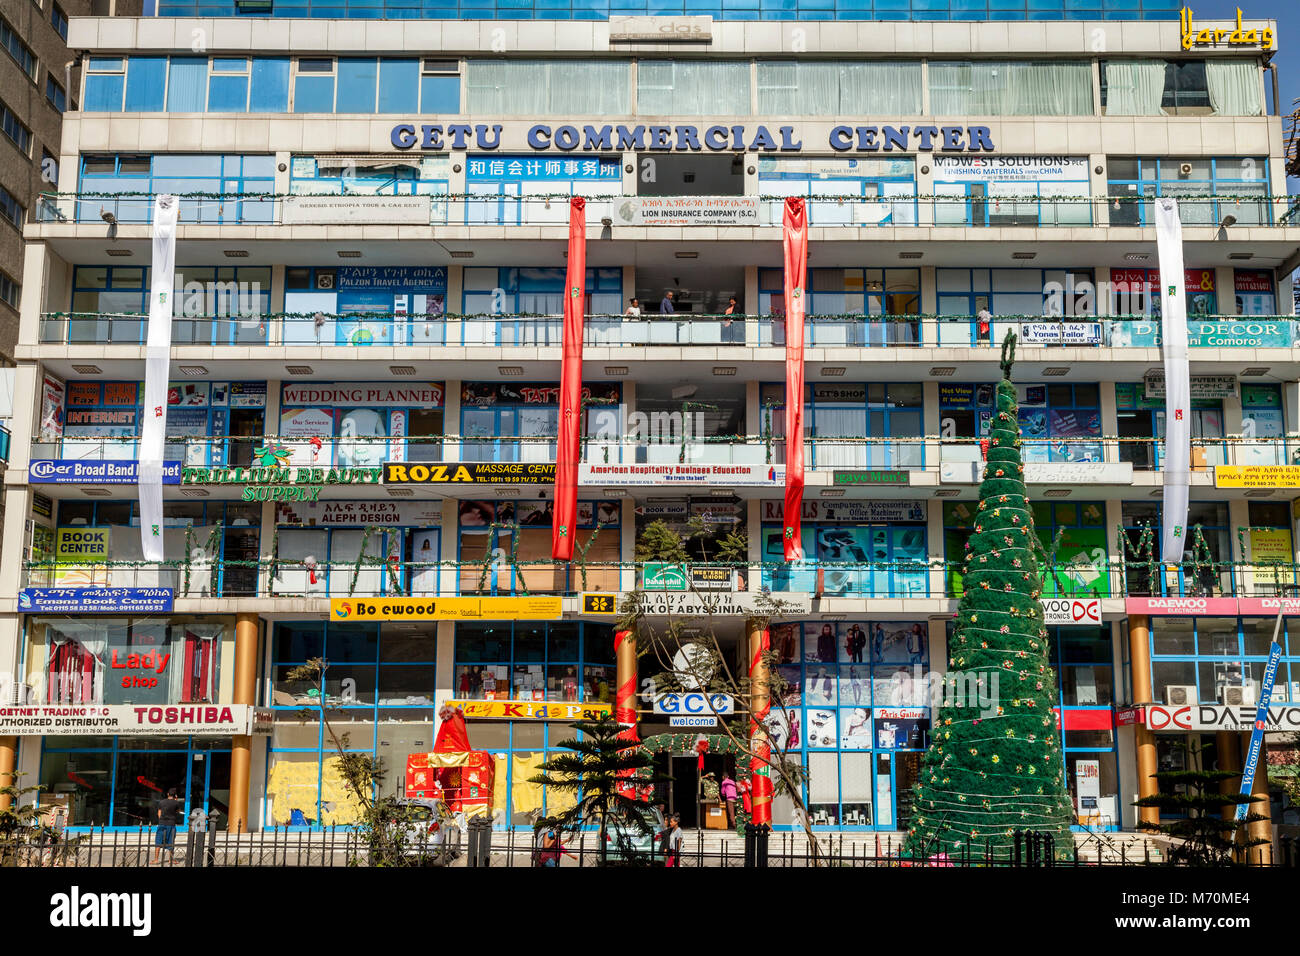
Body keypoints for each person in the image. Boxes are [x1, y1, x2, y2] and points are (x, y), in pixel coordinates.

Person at [153, 787, 183, 865]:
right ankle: (171, 860)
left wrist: (161, 820)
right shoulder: (176, 803)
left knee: (158, 841)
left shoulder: (161, 802)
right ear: (175, 795)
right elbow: (178, 811)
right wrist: (176, 800)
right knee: (171, 841)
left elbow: (159, 813)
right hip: (171, 824)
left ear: (168, 794)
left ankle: (156, 859)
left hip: (162, 823)